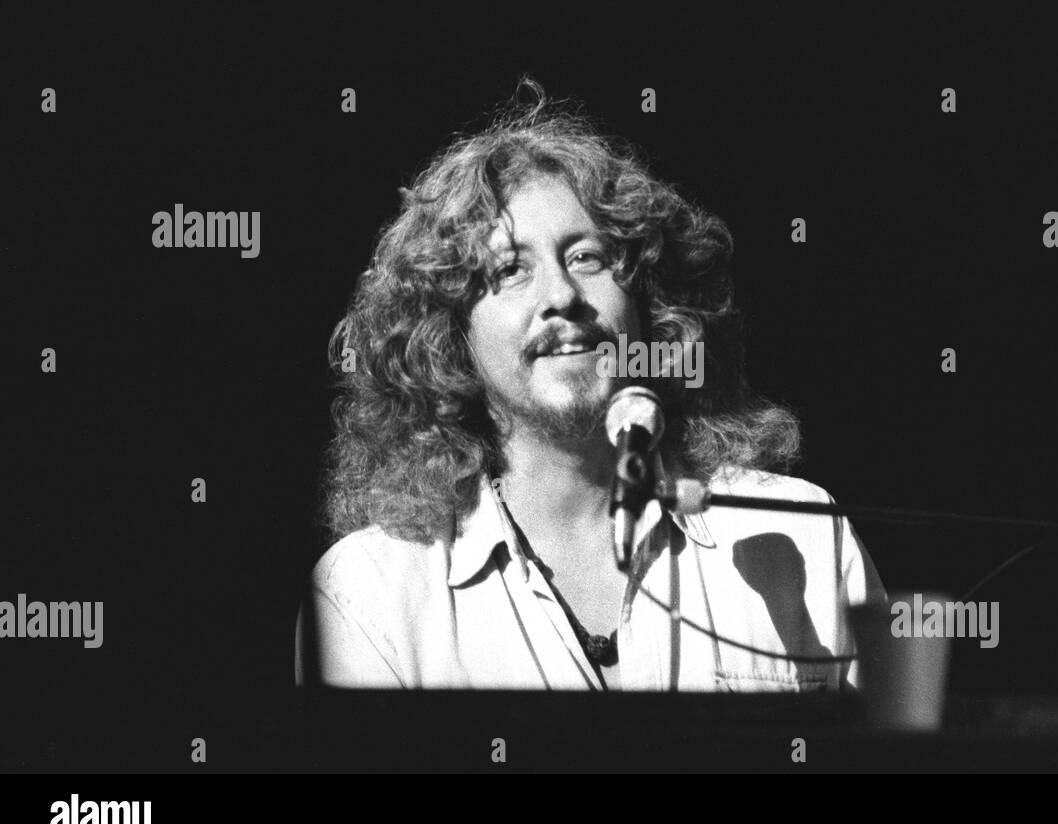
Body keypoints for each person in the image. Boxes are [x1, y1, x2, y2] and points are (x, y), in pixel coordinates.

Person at [295, 78, 885, 691]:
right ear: (451, 336)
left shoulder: (798, 531)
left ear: (647, 304)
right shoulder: (370, 595)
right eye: (510, 269)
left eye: (587, 258)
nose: (561, 297)